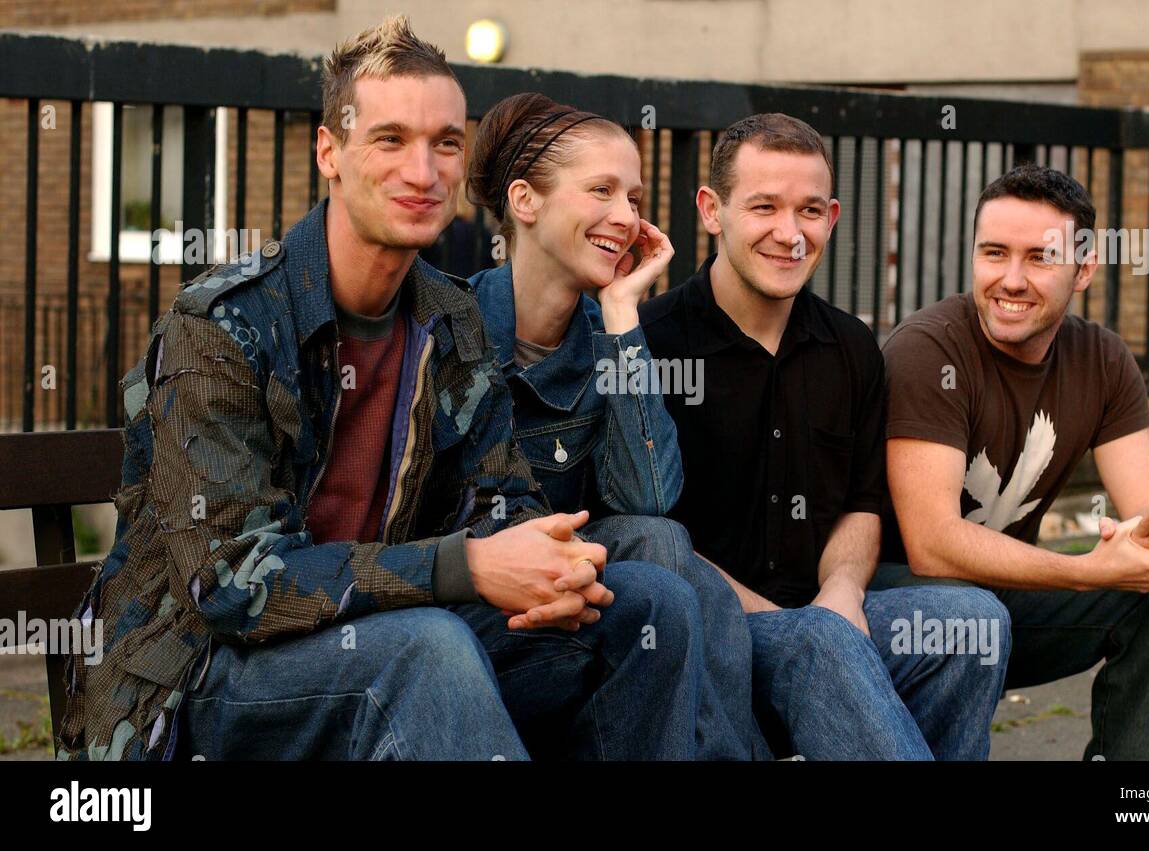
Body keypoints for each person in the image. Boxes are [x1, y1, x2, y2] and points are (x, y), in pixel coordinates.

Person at [58, 15, 713, 762]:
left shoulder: (449, 316)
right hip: (199, 680)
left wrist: (545, 568)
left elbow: (505, 500)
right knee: (425, 648)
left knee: (649, 606)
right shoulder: (223, 324)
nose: (424, 171)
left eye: (444, 144)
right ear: (329, 153)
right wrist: (463, 566)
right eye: (391, 140)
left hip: (385, 636)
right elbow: (232, 584)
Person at [640, 113, 1011, 760]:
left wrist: (841, 590)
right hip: (709, 629)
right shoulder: (651, 342)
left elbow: (864, 501)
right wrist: (803, 623)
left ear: (833, 217)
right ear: (711, 209)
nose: (790, 233)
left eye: (810, 210)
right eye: (764, 207)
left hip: (823, 613)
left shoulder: (852, 347)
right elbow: (647, 535)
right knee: (821, 642)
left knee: (970, 622)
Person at [461, 92, 760, 759]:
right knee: (672, 567)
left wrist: (624, 312)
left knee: (665, 546)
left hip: (586, 590)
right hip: (485, 602)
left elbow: (648, 495)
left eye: (634, 198)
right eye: (602, 191)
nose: (625, 217)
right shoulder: (456, 328)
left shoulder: (610, 335)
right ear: (525, 201)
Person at [877, 164, 1149, 761]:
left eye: (1040, 258)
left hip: (1001, 600)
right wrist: (1091, 569)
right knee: (970, 612)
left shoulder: (1101, 360)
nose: (1011, 279)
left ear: (1083, 270)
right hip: (894, 610)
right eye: (994, 253)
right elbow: (932, 545)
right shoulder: (929, 350)